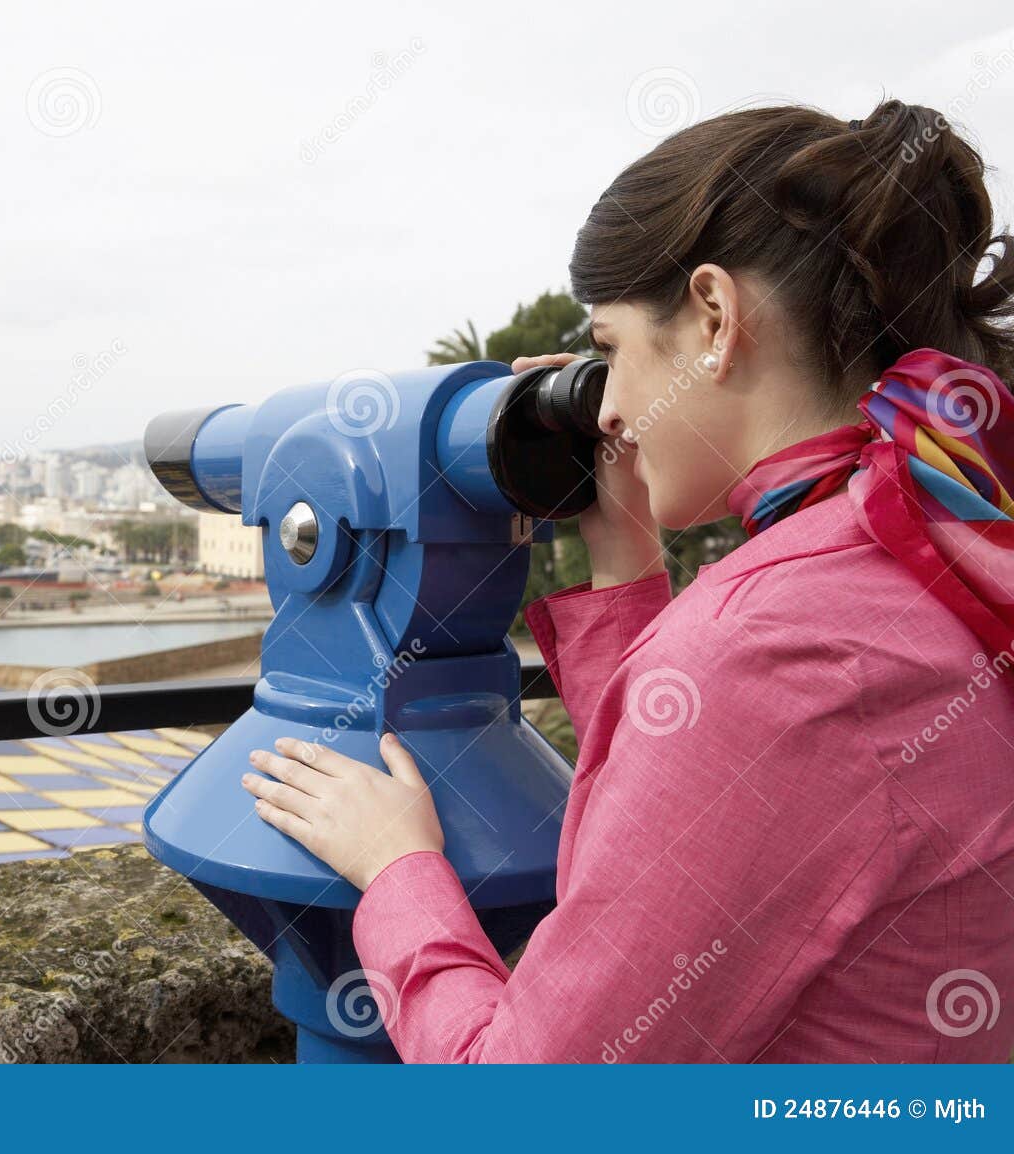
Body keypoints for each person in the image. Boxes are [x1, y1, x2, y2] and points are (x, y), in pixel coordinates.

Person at [243, 99, 1014, 1062]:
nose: (602, 406)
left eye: (607, 349)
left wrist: (399, 871)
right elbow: (720, 818)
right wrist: (626, 553)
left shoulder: (770, 647)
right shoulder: (932, 543)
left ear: (716, 317)